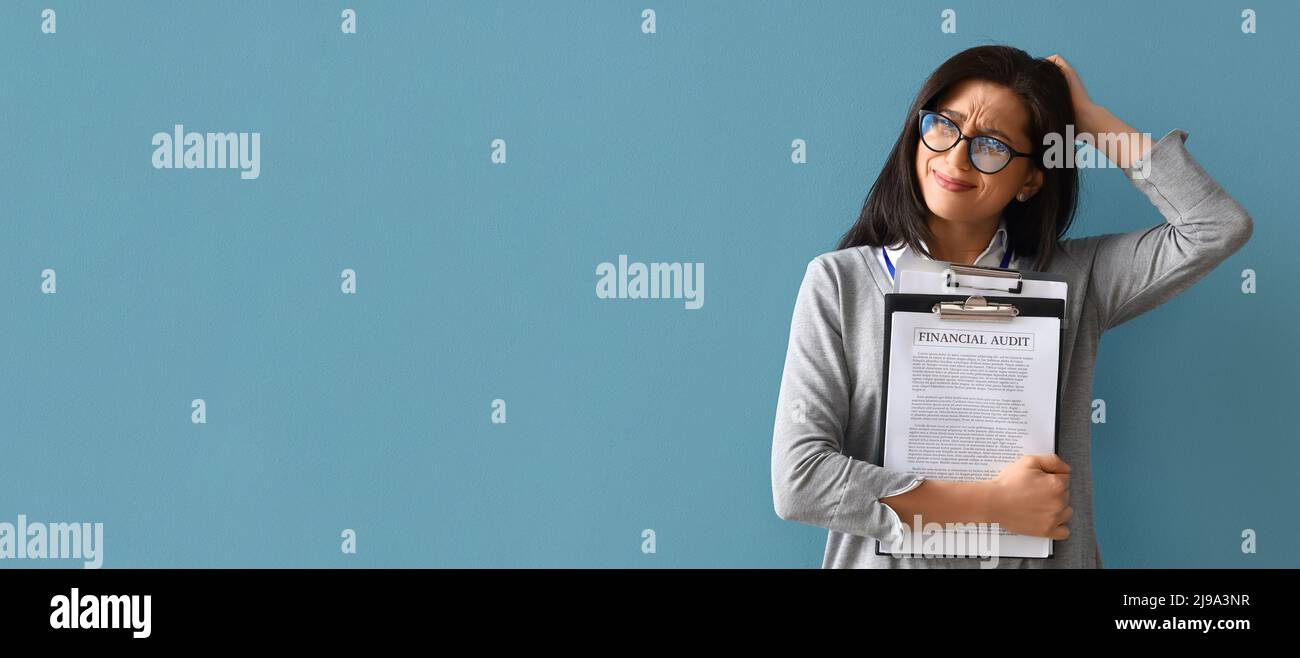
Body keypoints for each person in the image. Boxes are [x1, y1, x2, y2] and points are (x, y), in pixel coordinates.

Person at [769, 45, 1253, 568]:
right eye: (943, 125)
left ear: (1030, 179)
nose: (955, 156)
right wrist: (993, 507)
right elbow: (801, 481)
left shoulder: (1076, 281)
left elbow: (1214, 227)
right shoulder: (840, 283)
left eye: (991, 145)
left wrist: (1084, 120)